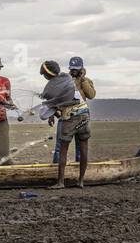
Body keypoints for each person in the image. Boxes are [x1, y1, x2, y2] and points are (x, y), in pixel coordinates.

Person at [36, 59, 91, 188]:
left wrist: (52, 112)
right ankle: (81, 181)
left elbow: (43, 114)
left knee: (63, 150)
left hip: (70, 117)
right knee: (84, 148)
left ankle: (60, 182)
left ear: (47, 74)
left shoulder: (51, 87)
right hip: (84, 114)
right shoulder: (67, 77)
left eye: (44, 74)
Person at [51, 56, 96, 164]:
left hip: (81, 115)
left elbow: (91, 95)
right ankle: (56, 170)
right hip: (65, 115)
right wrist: (53, 112)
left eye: (76, 68)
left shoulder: (86, 81)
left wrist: (83, 79)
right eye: (72, 68)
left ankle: (78, 170)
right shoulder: (63, 80)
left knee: (80, 145)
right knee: (60, 145)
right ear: (69, 68)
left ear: (81, 69)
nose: (74, 71)